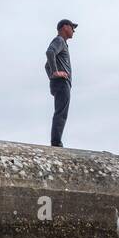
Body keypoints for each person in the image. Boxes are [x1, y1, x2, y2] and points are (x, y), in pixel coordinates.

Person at [44, 19, 77, 147]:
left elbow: (46, 65)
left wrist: (52, 74)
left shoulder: (62, 43)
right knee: (61, 113)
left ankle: (56, 141)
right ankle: (56, 142)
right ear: (65, 27)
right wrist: (56, 73)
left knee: (61, 112)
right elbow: (50, 52)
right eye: (72, 27)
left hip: (61, 83)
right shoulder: (59, 40)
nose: (74, 30)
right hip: (62, 83)